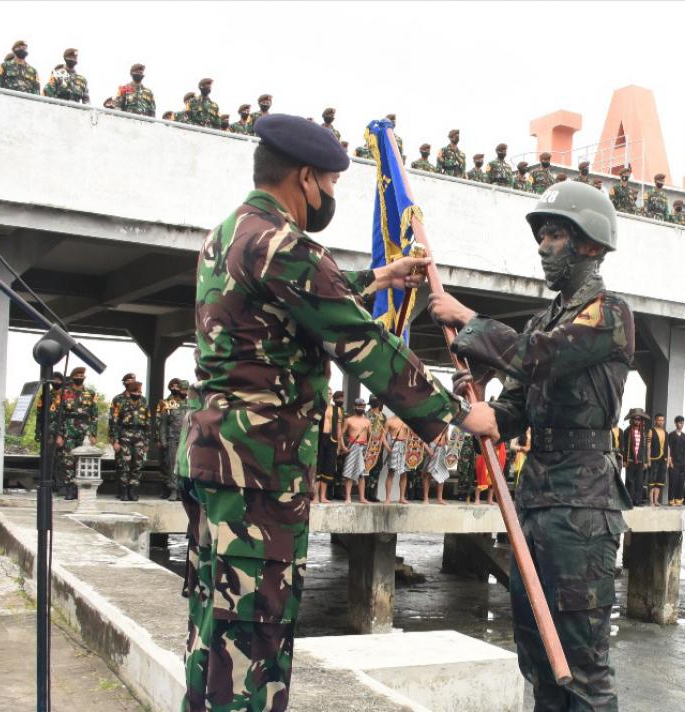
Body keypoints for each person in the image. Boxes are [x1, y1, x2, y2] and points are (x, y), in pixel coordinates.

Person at [177, 114, 495, 712]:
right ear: (304, 178)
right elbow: (361, 342)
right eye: (329, 184)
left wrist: (379, 276)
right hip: (257, 477)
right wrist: (455, 415)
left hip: (215, 465)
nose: (330, 197)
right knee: (254, 645)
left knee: (212, 638)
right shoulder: (285, 245)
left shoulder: (229, 235)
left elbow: (302, 298)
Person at [428, 179, 633, 711]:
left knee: (582, 663)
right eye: (541, 235)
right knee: (536, 652)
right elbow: (511, 411)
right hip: (536, 499)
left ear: (589, 243)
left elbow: (537, 357)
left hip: (581, 505)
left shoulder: (608, 314)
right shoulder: (543, 319)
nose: (542, 247)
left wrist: (469, 320)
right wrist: (471, 409)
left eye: (555, 235)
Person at [54, 366, 99, 501]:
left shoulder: (90, 393)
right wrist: (59, 434)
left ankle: (82, 489)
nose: (80, 377)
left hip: (85, 429)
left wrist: (93, 434)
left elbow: (94, 416)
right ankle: (69, 488)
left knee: (83, 459)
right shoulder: (64, 392)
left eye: (82, 375)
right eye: (77, 375)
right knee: (68, 459)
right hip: (68, 427)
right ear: (72, 376)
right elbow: (58, 415)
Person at [110, 372, 150, 502]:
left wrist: (147, 442)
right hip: (124, 436)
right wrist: (114, 441)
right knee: (124, 464)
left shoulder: (144, 401)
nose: (138, 394)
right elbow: (114, 422)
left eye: (139, 392)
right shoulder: (119, 401)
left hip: (140, 436)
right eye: (136, 391)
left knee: (137, 464)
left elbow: (148, 422)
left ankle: (133, 490)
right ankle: (123, 491)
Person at [155, 378, 190, 501]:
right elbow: (163, 423)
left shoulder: (191, 403)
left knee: (184, 465)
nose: (184, 392)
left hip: (186, 439)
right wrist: (162, 439)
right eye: (182, 389)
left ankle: (182, 491)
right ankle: (173, 490)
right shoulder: (169, 403)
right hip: (172, 438)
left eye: (187, 390)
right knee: (172, 465)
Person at [339, 398, 370, 504]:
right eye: (359, 406)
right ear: (354, 406)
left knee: (362, 474)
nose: (361, 407)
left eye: (363, 406)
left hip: (364, 447)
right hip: (352, 447)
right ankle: (348, 497)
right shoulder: (349, 420)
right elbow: (341, 434)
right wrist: (343, 447)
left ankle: (362, 498)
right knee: (349, 473)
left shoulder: (367, 421)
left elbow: (371, 438)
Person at [622, 408, 650, 506]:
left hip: (641, 460)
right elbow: (624, 447)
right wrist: (624, 460)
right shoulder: (627, 432)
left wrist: (646, 461)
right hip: (630, 460)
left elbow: (645, 448)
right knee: (630, 481)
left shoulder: (643, 433)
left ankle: (637, 500)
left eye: (639, 419)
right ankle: (629, 500)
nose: (637, 421)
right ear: (631, 420)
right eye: (635, 419)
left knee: (639, 481)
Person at [382, 413, 411, 504]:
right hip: (394, 445)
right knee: (391, 472)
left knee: (404, 473)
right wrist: (387, 447)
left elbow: (411, 435)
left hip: (404, 446)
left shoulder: (407, 420)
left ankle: (401, 497)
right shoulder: (390, 421)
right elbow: (383, 436)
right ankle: (388, 498)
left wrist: (409, 448)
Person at [363, 396, 387, 500]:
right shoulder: (365, 415)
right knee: (365, 469)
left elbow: (384, 432)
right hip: (366, 446)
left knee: (377, 469)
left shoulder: (383, 416)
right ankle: (363, 493)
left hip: (378, 448)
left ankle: (371, 493)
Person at [473, 438, 506, 505]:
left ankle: (490, 499)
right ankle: (477, 499)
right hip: (485, 456)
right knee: (481, 478)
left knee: (493, 481)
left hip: (495, 456)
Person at [422, 428, 450, 504]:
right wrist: (428, 450)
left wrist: (451, 449)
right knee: (427, 474)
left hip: (442, 450)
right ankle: (425, 498)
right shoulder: (431, 424)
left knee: (441, 473)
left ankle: (440, 498)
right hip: (432, 448)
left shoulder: (446, 424)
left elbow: (446, 437)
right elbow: (423, 439)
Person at [667, 415, 685, 505]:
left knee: (681, 481)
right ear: (676, 423)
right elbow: (669, 448)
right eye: (680, 422)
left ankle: (678, 499)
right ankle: (671, 500)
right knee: (673, 481)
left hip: (682, 462)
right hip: (674, 462)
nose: (681, 424)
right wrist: (670, 461)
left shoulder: (684, 436)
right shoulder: (671, 435)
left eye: (682, 423)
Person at [649, 413, 669, 506]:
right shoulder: (651, 431)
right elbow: (648, 446)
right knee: (652, 479)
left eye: (662, 420)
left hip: (663, 458)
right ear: (655, 421)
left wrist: (668, 459)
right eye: (659, 420)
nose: (661, 422)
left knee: (660, 480)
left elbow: (667, 447)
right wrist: (648, 459)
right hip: (653, 458)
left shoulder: (665, 432)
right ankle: (651, 501)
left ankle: (656, 500)